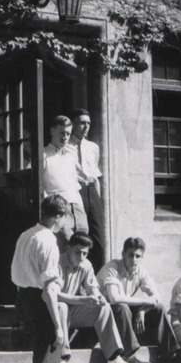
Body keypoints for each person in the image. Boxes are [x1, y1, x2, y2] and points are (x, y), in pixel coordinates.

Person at [10, 194, 69, 363]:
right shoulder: (48, 242)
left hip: (23, 296)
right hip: (39, 299)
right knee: (45, 358)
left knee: (45, 356)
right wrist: (57, 324)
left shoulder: (25, 235)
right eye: (64, 218)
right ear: (57, 217)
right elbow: (49, 290)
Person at [98, 237, 181, 363]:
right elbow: (114, 298)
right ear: (123, 254)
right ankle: (129, 355)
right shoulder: (112, 268)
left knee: (158, 307)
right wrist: (144, 301)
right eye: (130, 255)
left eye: (138, 256)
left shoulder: (141, 271)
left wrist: (143, 310)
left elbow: (157, 298)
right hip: (103, 314)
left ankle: (169, 354)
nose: (134, 260)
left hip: (123, 315)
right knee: (122, 306)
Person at [56, 231, 135, 363]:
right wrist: (83, 299)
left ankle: (113, 358)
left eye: (85, 253)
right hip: (53, 311)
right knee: (62, 306)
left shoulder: (86, 265)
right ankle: (61, 358)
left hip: (73, 310)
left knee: (103, 308)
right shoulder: (57, 262)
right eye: (77, 252)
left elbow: (92, 288)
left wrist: (99, 297)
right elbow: (54, 295)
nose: (81, 257)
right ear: (68, 248)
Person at [42, 115, 88, 243]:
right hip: (59, 208)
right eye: (62, 133)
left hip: (77, 207)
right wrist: (52, 206)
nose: (65, 137)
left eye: (68, 134)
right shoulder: (43, 155)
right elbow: (39, 185)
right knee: (67, 244)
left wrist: (80, 208)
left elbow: (74, 184)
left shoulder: (69, 157)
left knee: (82, 243)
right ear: (52, 131)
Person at [69, 110, 105, 271]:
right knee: (80, 235)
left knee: (99, 239)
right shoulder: (65, 146)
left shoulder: (93, 147)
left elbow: (95, 174)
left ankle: (94, 276)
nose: (86, 127)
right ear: (74, 124)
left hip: (92, 191)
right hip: (75, 190)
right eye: (82, 122)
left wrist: (99, 199)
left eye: (88, 123)